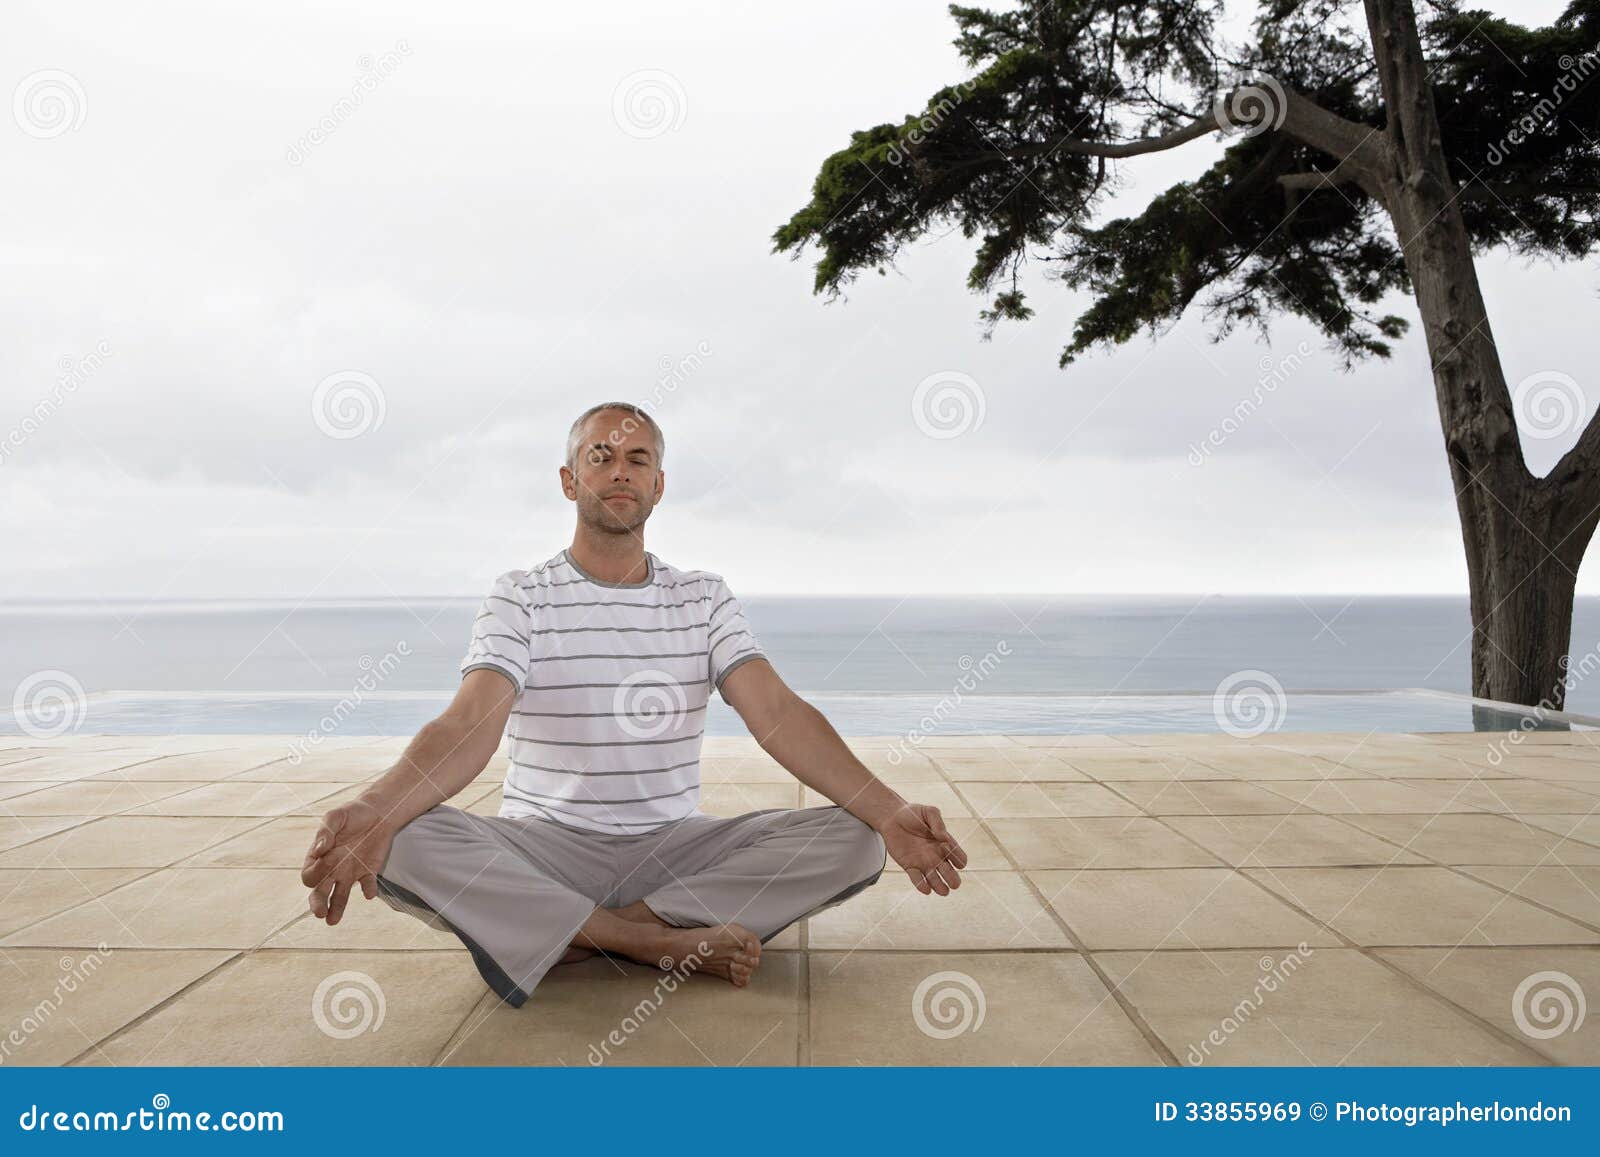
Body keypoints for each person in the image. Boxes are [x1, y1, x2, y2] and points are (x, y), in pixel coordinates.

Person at [299, 401, 967, 1006]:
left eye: (638, 459)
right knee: (405, 835)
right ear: (570, 481)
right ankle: (646, 940)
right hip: (546, 848)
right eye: (602, 456)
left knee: (857, 838)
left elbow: (776, 712)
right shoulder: (520, 594)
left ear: (658, 485)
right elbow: (470, 721)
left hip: (673, 847)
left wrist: (890, 810)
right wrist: (378, 806)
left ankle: (584, 932)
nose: (620, 470)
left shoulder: (703, 596)